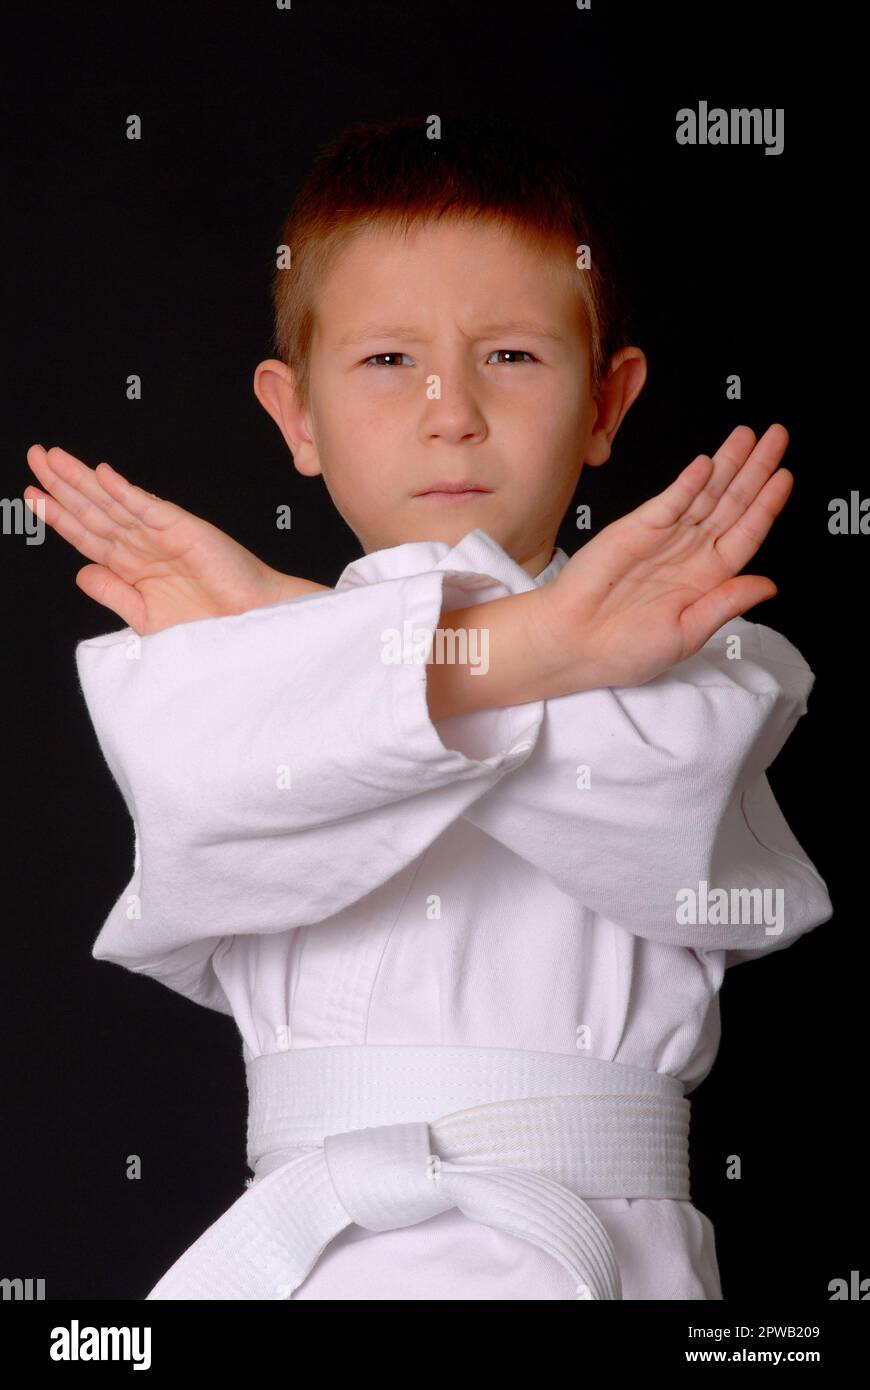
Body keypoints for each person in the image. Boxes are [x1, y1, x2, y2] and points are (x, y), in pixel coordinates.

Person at [23, 114, 833, 1300]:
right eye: (387, 359)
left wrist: (303, 637)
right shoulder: (204, 672)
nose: (451, 410)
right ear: (295, 414)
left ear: (608, 402)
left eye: (510, 354)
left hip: (605, 1256)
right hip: (312, 1264)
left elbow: (680, 832)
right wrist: (538, 650)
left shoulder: (713, 664)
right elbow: (207, 811)